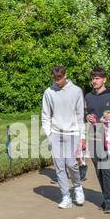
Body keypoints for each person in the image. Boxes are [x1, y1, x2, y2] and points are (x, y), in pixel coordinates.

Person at [41, 65, 86, 209]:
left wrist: (82, 136)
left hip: (72, 133)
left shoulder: (76, 91)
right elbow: (45, 115)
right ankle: (66, 196)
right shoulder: (49, 92)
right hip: (56, 133)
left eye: (59, 78)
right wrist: (49, 134)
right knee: (59, 166)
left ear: (65, 75)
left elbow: (80, 116)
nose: (57, 82)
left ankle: (78, 187)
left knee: (71, 164)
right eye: (55, 79)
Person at [84, 66, 110, 214]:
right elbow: (84, 113)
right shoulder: (88, 97)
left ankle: (108, 202)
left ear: (104, 80)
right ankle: (105, 195)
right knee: (98, 168)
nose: (94, 81)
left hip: (108, 136)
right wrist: (86, 117)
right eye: (93, 78)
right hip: (93, 136)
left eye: (97, 78)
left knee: (106, 168)